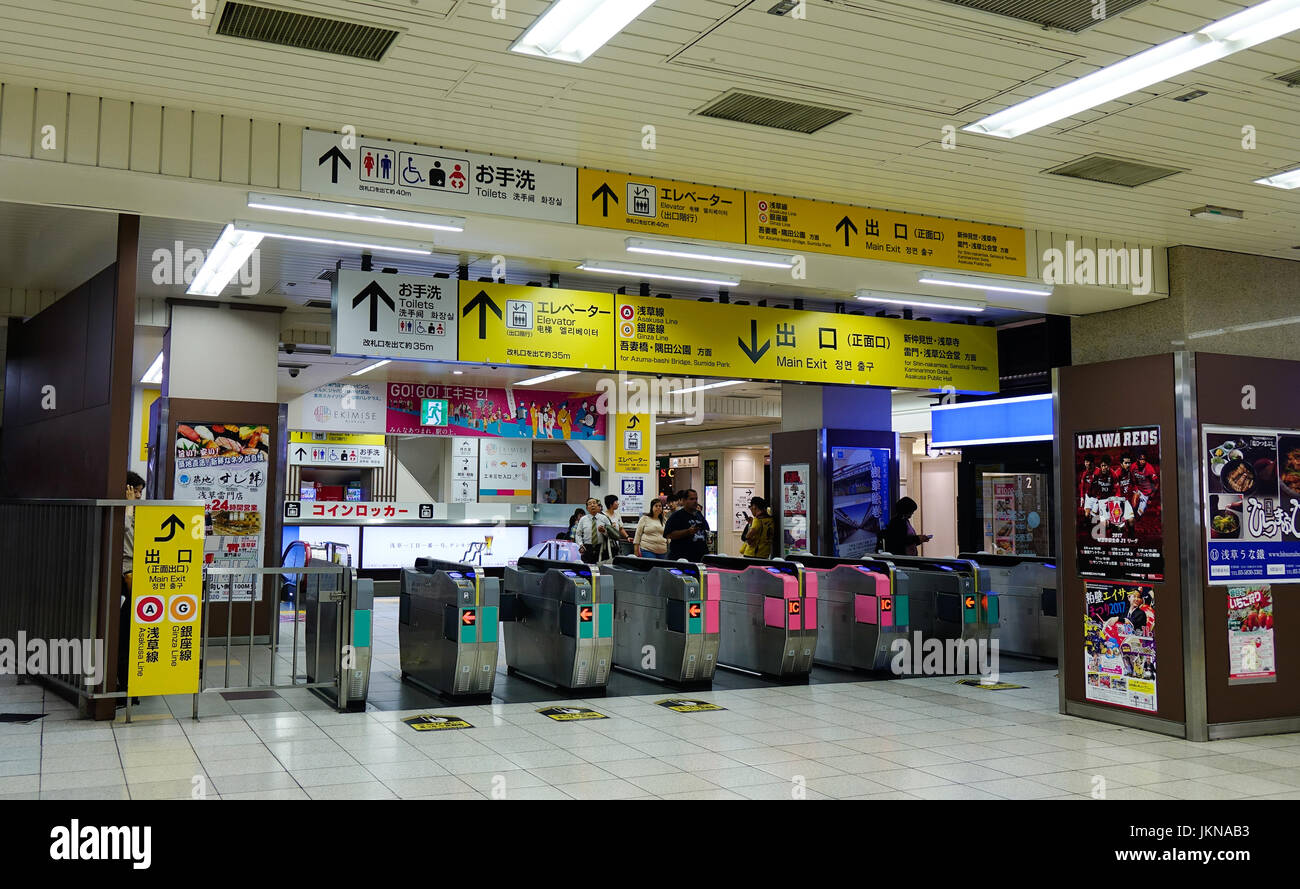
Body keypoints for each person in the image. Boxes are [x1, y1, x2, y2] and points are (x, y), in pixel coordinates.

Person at [119, 471, 145, 701]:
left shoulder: (135, 514)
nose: (138, 497)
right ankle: (125, 682)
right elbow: (124, 537)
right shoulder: (122, 513)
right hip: (126, 574)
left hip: (136, 573)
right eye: (135, 491)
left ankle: (131, 682)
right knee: (125, 631)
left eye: (139, 492)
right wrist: (127, 508)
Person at [664, 489, 709, 562]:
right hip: (683, 558)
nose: (695, 501)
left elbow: (706, 529)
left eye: (696, 499)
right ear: (684, 500)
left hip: (700, 557)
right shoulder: (676, 516)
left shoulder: (699, 515)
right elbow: (668, 534)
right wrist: (687, 532)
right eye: (691, 499)